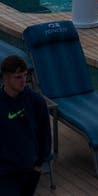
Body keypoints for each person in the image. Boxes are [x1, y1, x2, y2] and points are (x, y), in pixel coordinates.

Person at [0, 54, 51, 196]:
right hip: (5, 174)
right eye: (18, 77)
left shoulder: (36, 102)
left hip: (30, 171)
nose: (23, 81)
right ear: (5, 77)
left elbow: (45, 135)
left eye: (24, 75)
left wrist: (38, 165)